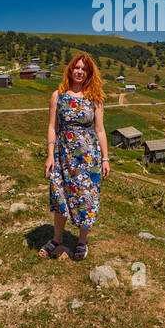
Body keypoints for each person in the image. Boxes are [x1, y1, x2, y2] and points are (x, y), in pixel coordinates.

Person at [39, 53, 110, 260]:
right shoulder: (58, 95)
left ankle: (81, 242)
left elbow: (100, 130)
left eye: (83, 69)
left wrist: (105, 158)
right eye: (76, 68)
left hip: (88, 157)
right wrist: (50, 155)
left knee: (86, 198)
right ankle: (56, 238)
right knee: (60, 194)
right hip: (62, 155)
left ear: (89, 73)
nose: (79, 71)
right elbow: (52, 127)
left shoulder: (94, 98)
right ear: (70, 70)